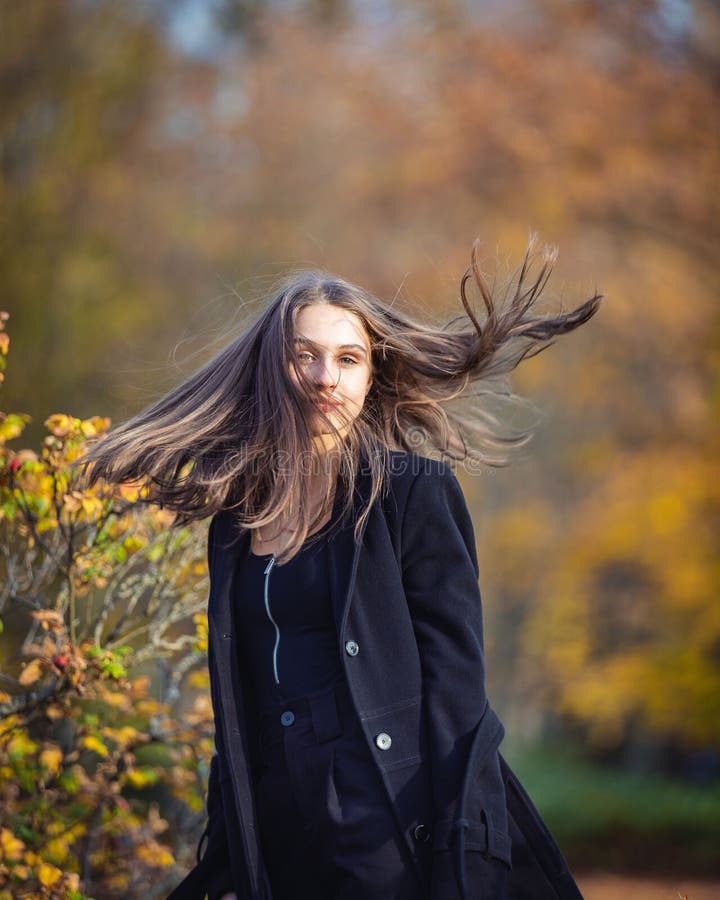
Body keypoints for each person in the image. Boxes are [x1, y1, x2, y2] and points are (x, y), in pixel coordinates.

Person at [81, 237, 601, 900]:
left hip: (386, 827)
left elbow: (456, 695)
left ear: (369, 376)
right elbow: (239, 704)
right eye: (306, 356)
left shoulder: (411, 494)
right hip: (277, 835)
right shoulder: (237, 523)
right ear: (272, 368)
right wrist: (230, 844)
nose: (327, 376)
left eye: (348, 359)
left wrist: (460, 855)